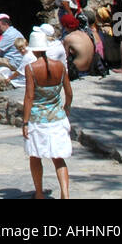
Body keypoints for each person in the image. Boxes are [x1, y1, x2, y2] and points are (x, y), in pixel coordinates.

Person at [21, 30, 73, 199]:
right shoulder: (60, 66)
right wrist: (67, 107)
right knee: (58, 158)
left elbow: (29, 96)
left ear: (34, 49)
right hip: (57, 117)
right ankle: (65, 193)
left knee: (35, 156)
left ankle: (39, 193)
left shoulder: (31, 68)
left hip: (38, 118)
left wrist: (25, 122)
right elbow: (69, 92)